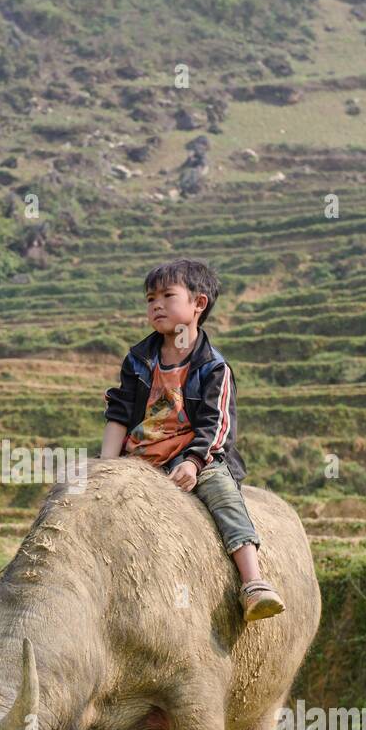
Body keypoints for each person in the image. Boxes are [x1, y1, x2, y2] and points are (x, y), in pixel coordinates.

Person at [101, 257, 286, 622]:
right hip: (140, 458)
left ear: (198, 304)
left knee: (223, 495)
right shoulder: (138, 359)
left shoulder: (213, 367)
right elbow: (119, 413)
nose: (156, 305)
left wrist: (193, 461)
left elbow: (217, 426)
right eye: (150, 298)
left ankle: (253, 582)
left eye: (167, 295)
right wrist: (105, 467)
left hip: (195, 458)